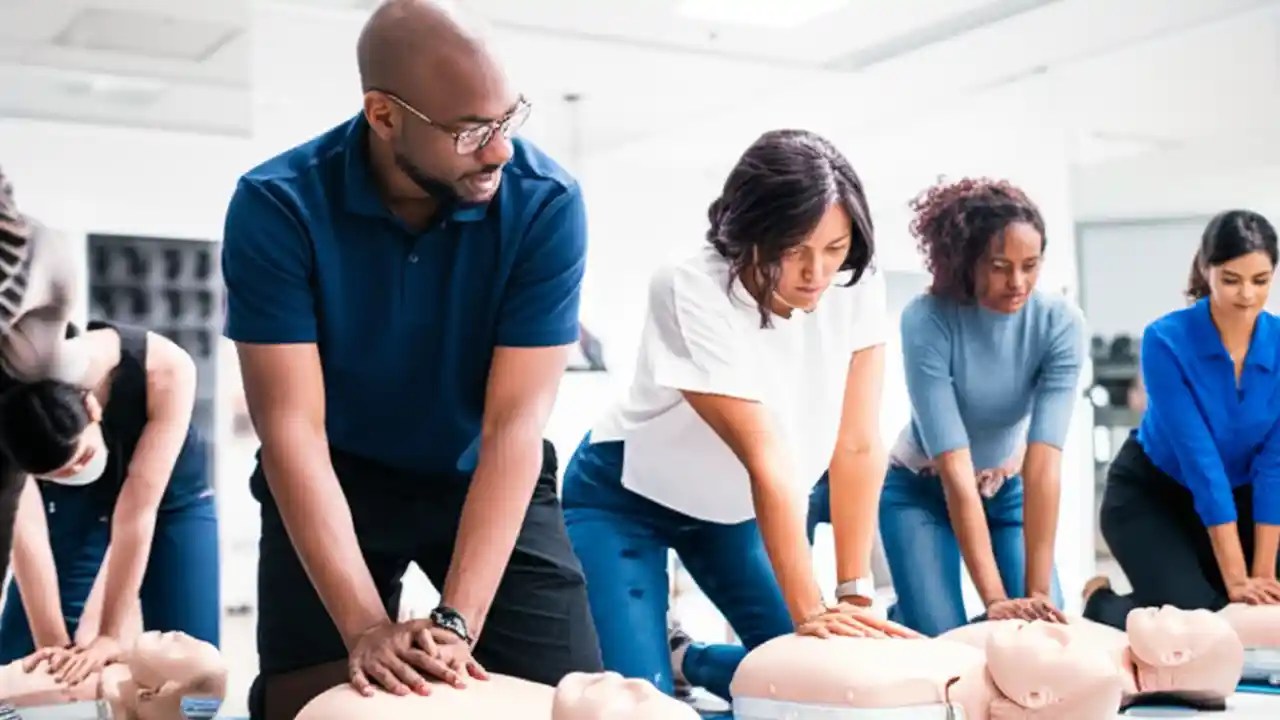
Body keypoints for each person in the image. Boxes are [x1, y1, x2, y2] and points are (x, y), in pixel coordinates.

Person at [220, 2, 601, 718]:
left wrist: (456, 622)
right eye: (469, 132)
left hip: (481, 471)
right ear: (383, 115)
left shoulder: (546, 204)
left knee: (570, 701)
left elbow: (515, 424)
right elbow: (291, 431)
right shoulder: (277, 206)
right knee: (307, 703)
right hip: (338, 473)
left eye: (508, 119)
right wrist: (366, 627)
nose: (500, 152)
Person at [560, 129, 919, 705]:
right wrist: (810, 610)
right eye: (795, 249)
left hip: (733, 514)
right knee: (637, 703)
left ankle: (690, 659)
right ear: (753, 232)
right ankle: (664, 671)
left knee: (823, 685)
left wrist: (852, 593)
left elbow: (856, 444)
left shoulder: (856, 281)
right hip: (625, 498)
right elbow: (765, 455)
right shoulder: (690, 283)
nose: (817, 272)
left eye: (834, 247)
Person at [875, 177, 1083, 637]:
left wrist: (1038, 594)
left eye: (1031, 266)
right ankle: (900, 627)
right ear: (966, 261)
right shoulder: (926, 318)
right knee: (944, 641)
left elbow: (1044, 465)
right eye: (999, 266)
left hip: (1006, 492)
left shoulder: (1060, 324)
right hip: (920, 492)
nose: (1017, 282)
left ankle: (910, 620)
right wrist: (994, 603)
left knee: (1042, 632)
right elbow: (954, 471)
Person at [1083, 210, 1280, 627]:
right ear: (1206, 270)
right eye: (1231, 279)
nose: (1247, 294)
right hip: (1154, 496)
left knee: (1258, 607)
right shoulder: (1165, 340)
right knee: (1203, 620)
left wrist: (1261, 577)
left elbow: (1273, 465)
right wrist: (1235, 580)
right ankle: (1101, 603)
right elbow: (1200, 461)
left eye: (1260, 280)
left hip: (1239, 498)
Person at [0, 321, 219, 680]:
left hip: (170, 499)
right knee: (25, 657)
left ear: (91, 407)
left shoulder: (164, 368)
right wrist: (52, 646)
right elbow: (27, 534)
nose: (72, 471)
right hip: (76, 505)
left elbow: (137, 514)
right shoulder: (7, 419)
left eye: (80, 459)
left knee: (194, 670)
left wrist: (108, 636)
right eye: (56, 474)